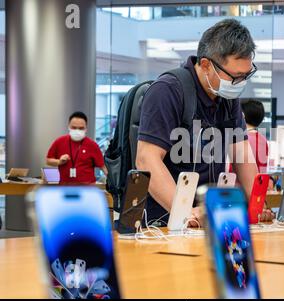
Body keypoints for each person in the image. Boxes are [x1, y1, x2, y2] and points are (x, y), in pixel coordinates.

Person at [136, 19, 272, 225]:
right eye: (235, 77)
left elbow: (242, 155)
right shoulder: (168, 90)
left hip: (208, 218)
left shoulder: (227, 99)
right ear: (207, 65)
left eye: (246, 76)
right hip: (163, 222)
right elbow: (147, 160)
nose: (240, 84)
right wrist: (185, 212)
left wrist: (258, 205)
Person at [47, 111, 108, 184]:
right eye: (74, 127)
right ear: (68, 127)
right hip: (65, 187)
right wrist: (59, 162)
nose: (77, 130)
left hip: (88, 189)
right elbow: (48, 160)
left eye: (81, 128)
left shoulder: (92, 145)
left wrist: (112, 182)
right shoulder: (59, 142)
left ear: (86, 129)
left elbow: (103, 167)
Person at [229, 99, 269, 173]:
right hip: (258, 182)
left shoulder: (241, 138)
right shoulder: (263, 139)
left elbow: (232, 168)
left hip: (240, 182)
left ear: (242, 115)